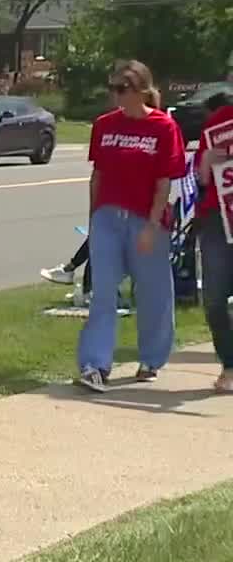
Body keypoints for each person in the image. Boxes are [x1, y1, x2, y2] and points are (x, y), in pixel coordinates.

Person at [76, 60, 185, 392]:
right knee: (103, 291)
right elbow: (99, 175)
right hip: (108, 217)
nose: (115, 95)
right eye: (112, 88)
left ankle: (151, 358)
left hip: (145, 219)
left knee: (152, 294)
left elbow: (164, 182)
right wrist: (93, 218)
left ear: (140, 90)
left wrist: (152, 225)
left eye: (121, 89)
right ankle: (95, 365)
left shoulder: (164, 127)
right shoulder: (105, 125)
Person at [193, 79, 233, 393]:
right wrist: (207, 161)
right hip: (217, 217)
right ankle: (229, 365)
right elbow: (201, 176)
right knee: (215, 299)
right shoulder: (219, 121)